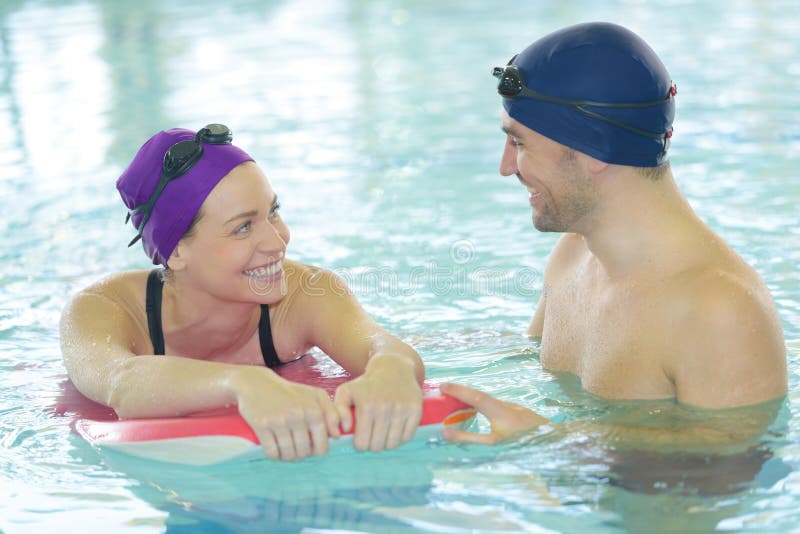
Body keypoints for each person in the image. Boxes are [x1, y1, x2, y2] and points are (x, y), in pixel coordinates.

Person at [441, 22, 787, 445]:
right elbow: (524, 355)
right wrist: (393, 358)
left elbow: (729, 471)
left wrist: (550, 442)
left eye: (520, 144)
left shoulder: (717, 309)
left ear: (593, 147)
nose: (506, 167)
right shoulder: (573, 256)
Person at [60, 124, 425, 460]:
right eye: (243, 228)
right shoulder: (101, 309)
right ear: (176, 252)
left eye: (273, 212)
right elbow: (121, 383)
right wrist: (244, 383)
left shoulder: (307, 293)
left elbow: (381, 345)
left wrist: (390, 369)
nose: (277, 240)